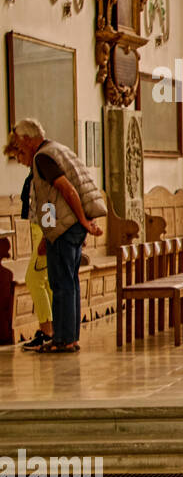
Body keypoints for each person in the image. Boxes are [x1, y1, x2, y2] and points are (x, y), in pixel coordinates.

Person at [10, 118, 106, 353]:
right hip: (68, 226)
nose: (18, 149)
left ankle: (63, 339)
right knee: (69, 282)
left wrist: (83, 221)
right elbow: (57, 196)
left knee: (61, 283)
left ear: (28, 139)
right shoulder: (58, 149)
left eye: (19, 144)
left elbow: (67, 189)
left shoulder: (42, 157)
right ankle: (69, 338)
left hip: (64, 229)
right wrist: (80, 223)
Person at [3, 131, 54, 350]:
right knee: (46, 281)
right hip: (40, 230)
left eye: (19, 156)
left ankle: (46, 330)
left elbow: (49, 201)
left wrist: (48, 235)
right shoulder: (36, 167)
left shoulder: (40, 167)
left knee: (33, 280)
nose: (20, 161)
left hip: (43, 231)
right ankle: (53, 329)